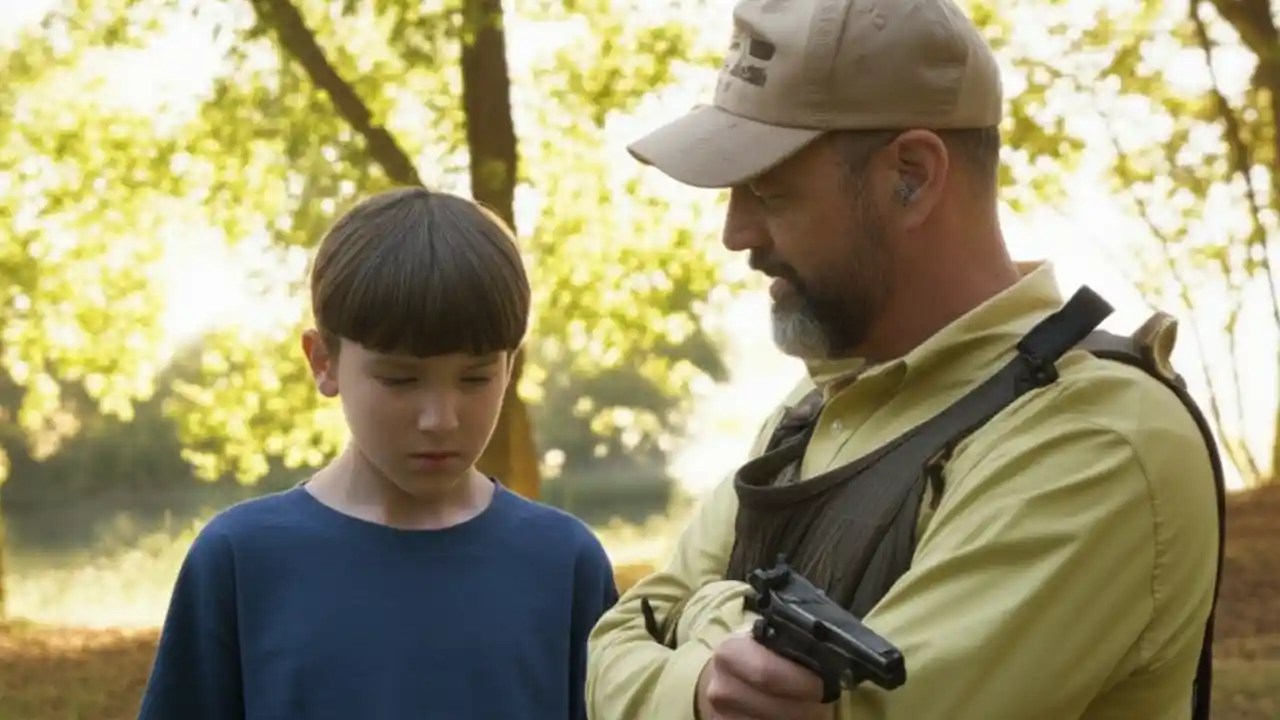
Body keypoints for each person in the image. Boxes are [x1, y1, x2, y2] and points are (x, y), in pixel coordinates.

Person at [585, 1, 1224, 719]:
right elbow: (613, 642)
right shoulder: (814, 414)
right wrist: (702, 690)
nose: (735, 233)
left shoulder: (1097, 440)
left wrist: (703, 612)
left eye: (768, 188)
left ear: (912, 176)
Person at [138, 187, 618, 719]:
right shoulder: (239, 561)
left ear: (510, 365)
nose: (441, 419)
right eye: (400, 379)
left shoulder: (565, 564)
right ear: (324, 362)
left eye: (476, 377)